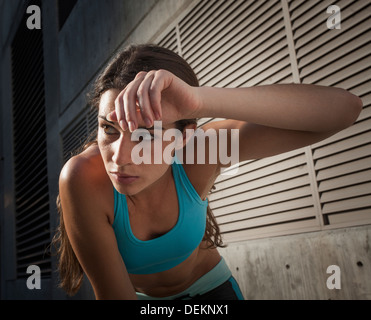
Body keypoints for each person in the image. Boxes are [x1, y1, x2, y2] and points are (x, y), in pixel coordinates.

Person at [54, 44, 362, 300]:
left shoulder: (201, 152)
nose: (119, 158)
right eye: (109, 129)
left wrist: (200, 101)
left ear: (183, 136)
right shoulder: (82, 177)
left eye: (146, 134)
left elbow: (345, 110)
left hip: (213, 294)